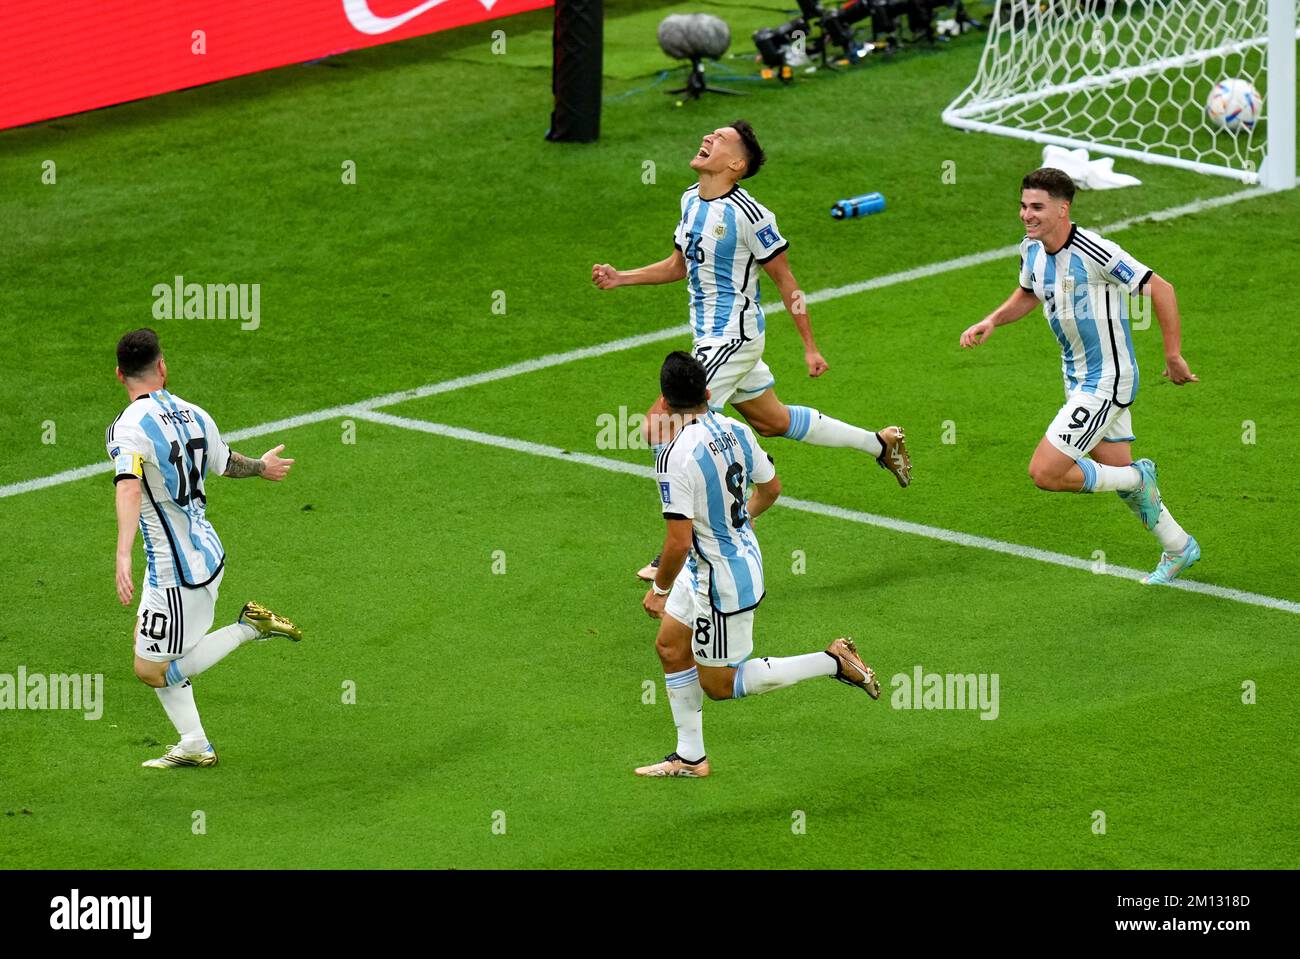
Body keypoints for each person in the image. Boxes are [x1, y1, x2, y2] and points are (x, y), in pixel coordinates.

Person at [592, 120, 911, 581]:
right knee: (772, 421)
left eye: (719, 140)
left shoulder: (750, 215)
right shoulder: (688, 200)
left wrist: (809, 346)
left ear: (736, 165)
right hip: (711, 339)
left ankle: (691, 544)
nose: (707, 139)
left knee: (661, 427)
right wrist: (623, 277)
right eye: (710, 135)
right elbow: (679, 265)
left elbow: (787, 282)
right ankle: (879, 444)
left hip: (733, 339)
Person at [635, 351, 880, 778]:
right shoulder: (735, 429)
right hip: (722, 563)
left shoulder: (673, 456)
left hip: (721, 582)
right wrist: (734, 524)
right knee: (671, 647)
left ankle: (833, 661)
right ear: (709, 392)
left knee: (719, 685)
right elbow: (771, 488)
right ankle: (691, 757)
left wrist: (658, 589)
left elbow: (677, 541)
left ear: (665, 401)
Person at [959, 168, 1200, 585]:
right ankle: (1179, 547)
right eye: (1023, 206)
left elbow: (1161, 289)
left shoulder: (1096, 252)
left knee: (1046, 472)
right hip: (1076, 378)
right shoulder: (1031, 250)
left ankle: (1139, 477)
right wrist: (993, 320)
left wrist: (1173, 354)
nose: (1026, 215)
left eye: (1036, 207)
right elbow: (1029, 292)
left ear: (1063, 208)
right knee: (1116, 472)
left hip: (1107, 381)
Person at [107, 328, 302, 768]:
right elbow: (227, 462)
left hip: (176, 574)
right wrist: (262, 467)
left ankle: (251, 627)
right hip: (204, 554)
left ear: (120, 375)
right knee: (153, 645)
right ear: (162, 366)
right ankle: (194, 743)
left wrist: (123, 552)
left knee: (150, 670)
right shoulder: (196, 414)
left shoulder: (128, 428)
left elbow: (129, 487)